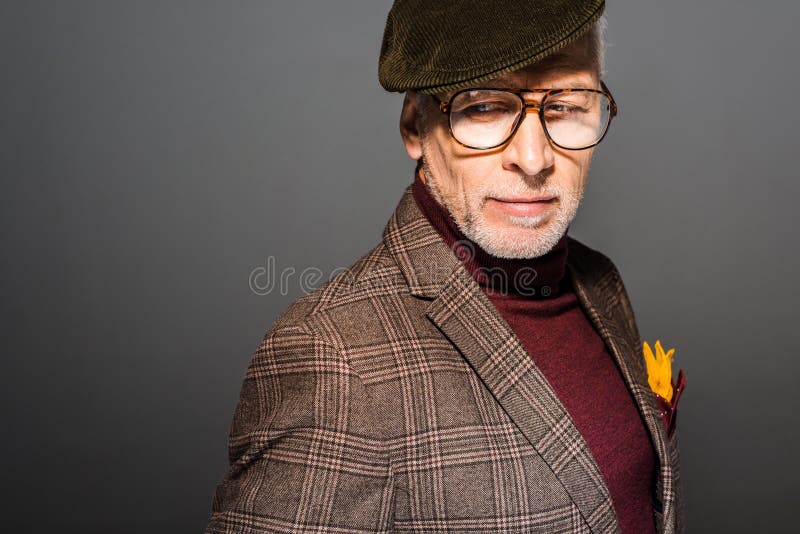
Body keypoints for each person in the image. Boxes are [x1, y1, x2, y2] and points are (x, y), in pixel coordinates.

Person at [205, 1, 685, 532]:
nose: (533, 158)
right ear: (416, 125)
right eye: (483, 107)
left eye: (566, 105)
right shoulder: (332, 358)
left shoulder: (601, 284)